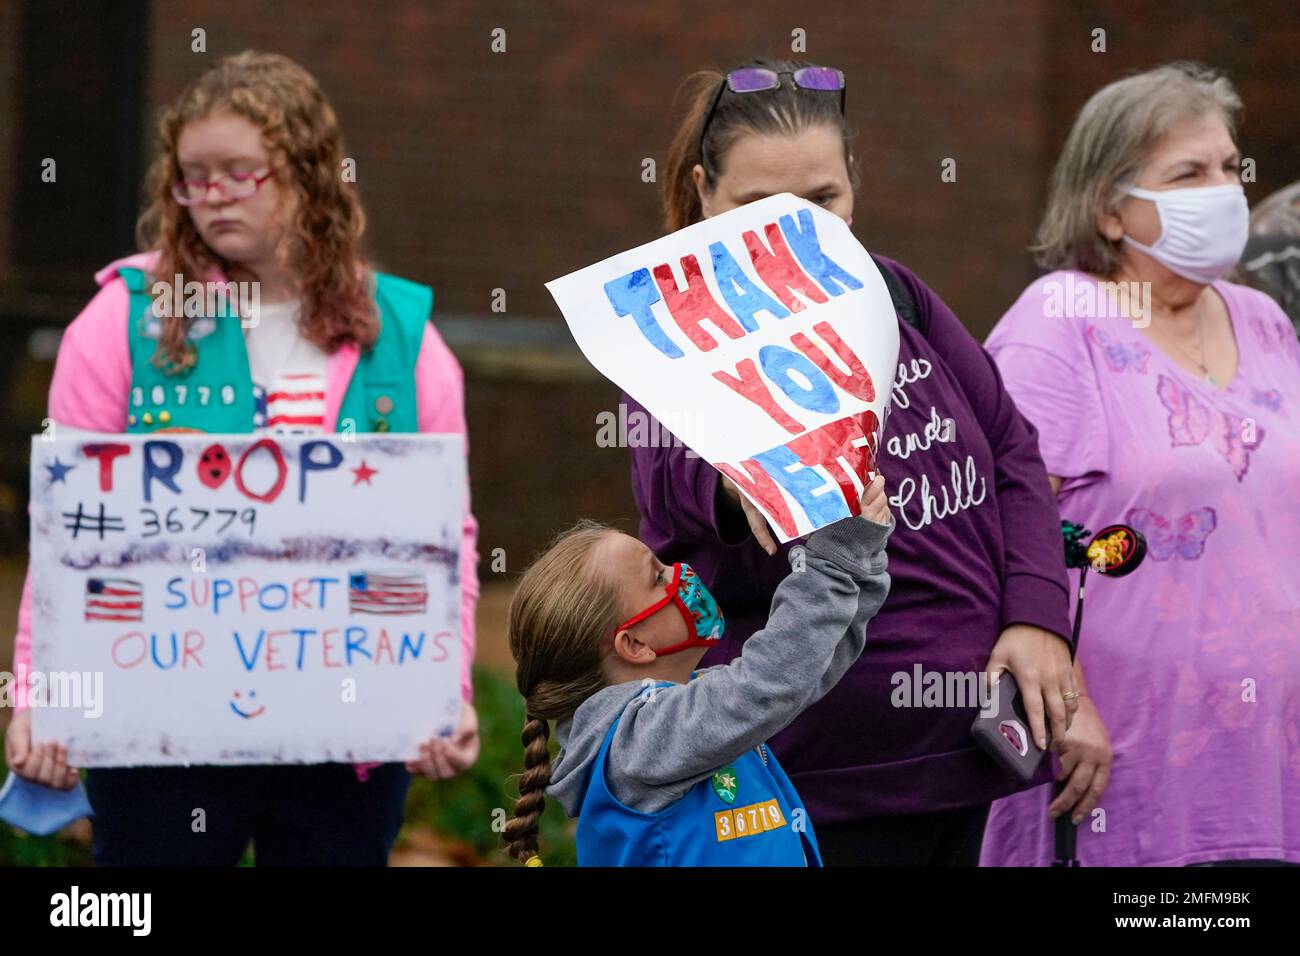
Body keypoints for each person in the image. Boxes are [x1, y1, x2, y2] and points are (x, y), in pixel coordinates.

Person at [1, 51, 481, 865]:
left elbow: (446, 540)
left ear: (306, 173)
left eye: (238, 174)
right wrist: (41, 692)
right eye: (193, 177)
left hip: (345, 720)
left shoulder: (403, 335)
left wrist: (446, 692)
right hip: (160, 721)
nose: (210, 196)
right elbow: (65, 532)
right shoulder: (118, 324)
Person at [623, 58, 1080, 866]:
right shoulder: (677, 326)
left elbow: (1011, 448)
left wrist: (1038, 616)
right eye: (758, 206)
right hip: (810, 777)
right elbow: (670, 479)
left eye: (823, 200)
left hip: (965, 753)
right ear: (702, 191)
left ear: (854, 185)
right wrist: (738, 491)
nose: (795, 231)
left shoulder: (897, 294)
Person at [980, 62, 1300, 866]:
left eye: (1229, 167)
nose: (1224, 190)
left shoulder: (1262, 317)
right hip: (1116, 759)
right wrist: (1062, 701)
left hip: (1273, 760)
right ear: (1110, 209)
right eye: (1188, 173)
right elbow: (993, 535)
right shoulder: (1061, 323)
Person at [503, 477, 893, 866]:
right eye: (658, 576)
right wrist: (837, 557)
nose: (681, 573)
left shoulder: (681, 711)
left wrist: (862, 559)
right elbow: (771, 680)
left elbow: (807, 669)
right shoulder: (637, 742)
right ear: (634, 645)